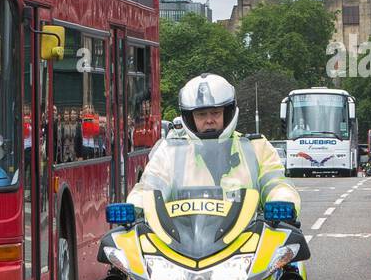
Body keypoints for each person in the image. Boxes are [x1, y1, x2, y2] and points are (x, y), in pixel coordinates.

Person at [127, 73, 298, 216]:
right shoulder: (170, 151)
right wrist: (137, 206)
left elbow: (276, 183)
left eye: (215, 112)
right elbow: (149, 187)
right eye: (201, 115)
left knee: (290, 252)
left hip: (248, 243)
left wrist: (282, 201)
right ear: (189, 117)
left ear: (228, 112)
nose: (209, 120)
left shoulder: (256, 148)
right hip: (182, 247)